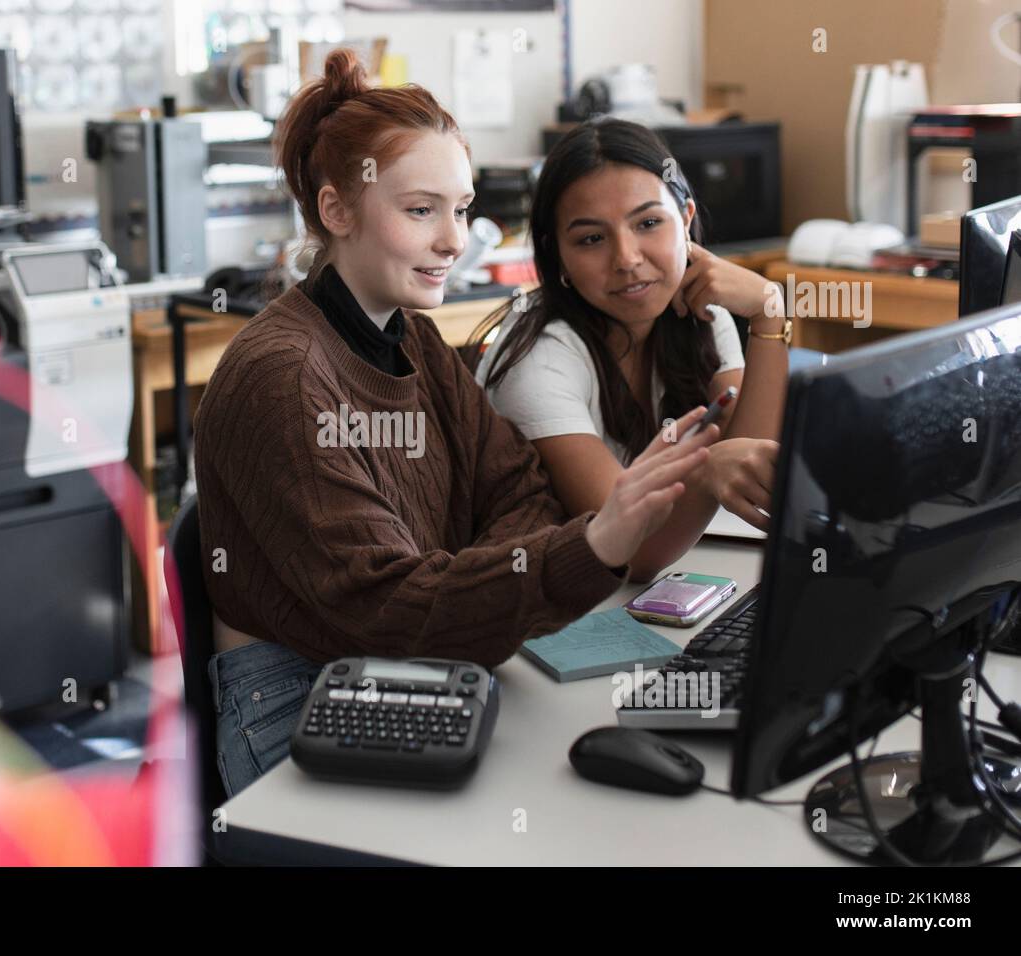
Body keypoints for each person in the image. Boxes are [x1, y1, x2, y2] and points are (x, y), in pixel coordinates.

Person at [192, 52, 719, 797]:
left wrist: (464, 592)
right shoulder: (285, 377)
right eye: (421, 210)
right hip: (301, 702)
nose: (455, 241)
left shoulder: (410, 336)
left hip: (425, 659)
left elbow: (521, 494)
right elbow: (381, 609)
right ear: (338, 211)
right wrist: (587, 547)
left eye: (463, 208)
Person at [474, 119, 789, 581]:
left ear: (685, 220)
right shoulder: (538, 360)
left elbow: (751, 459)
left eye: (648, 223)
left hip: (641, 591)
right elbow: (629, 553)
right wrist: (705, 473)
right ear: (557, 254)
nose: (626, 258)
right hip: (534, 613)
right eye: (591, 239)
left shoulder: (700, 314)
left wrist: (769, 315)